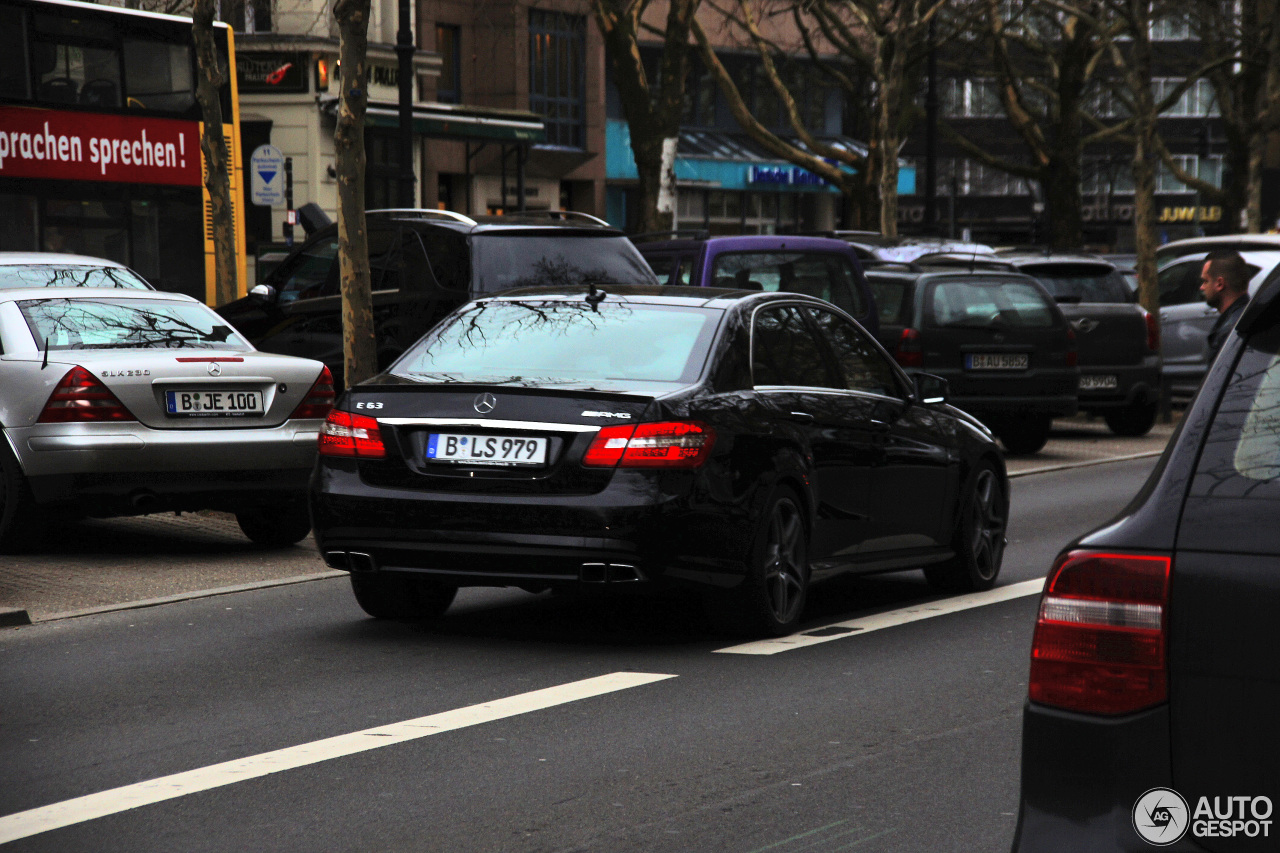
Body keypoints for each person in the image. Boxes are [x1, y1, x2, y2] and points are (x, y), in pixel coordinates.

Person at [1201, 248, 1251, 362]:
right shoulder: (1248, 315)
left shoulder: (1230, 333)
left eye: (1205, 281)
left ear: (1219, 283)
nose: (1202, 287)